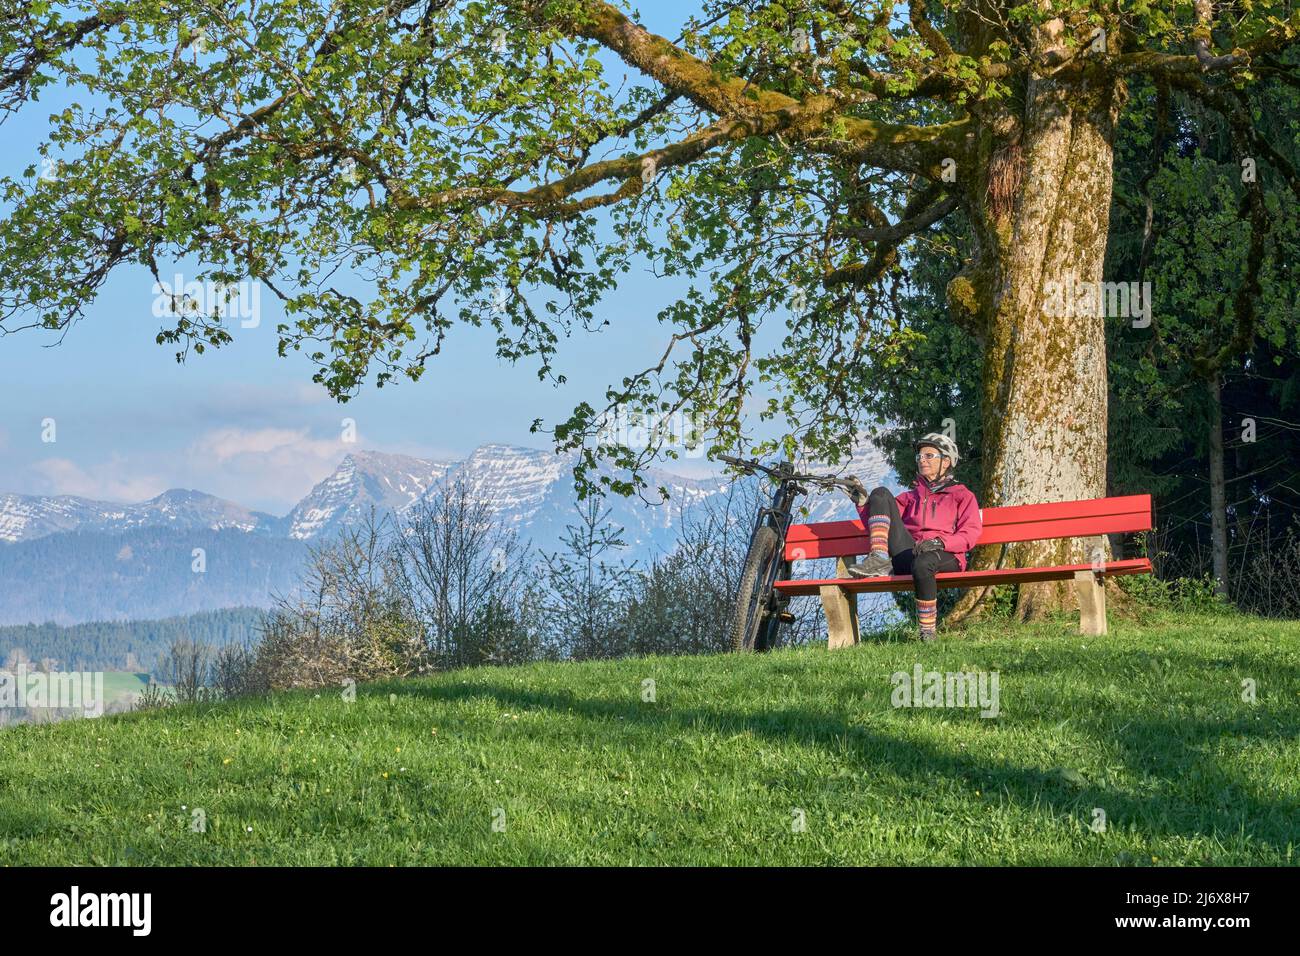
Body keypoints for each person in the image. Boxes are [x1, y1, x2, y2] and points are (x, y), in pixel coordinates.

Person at [841, 433, 982, 641]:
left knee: (923, 563)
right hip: (909, 553)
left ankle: (927, 632)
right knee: (879, 493)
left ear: (946, 462)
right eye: (919, 457)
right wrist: (863, 505)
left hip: (945, 554)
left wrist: (940, 542)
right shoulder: (910, 497)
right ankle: (878, 558)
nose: (922, 460)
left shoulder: (962, 495)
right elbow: (881, 524)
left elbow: (970, 534)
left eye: (929, 455)